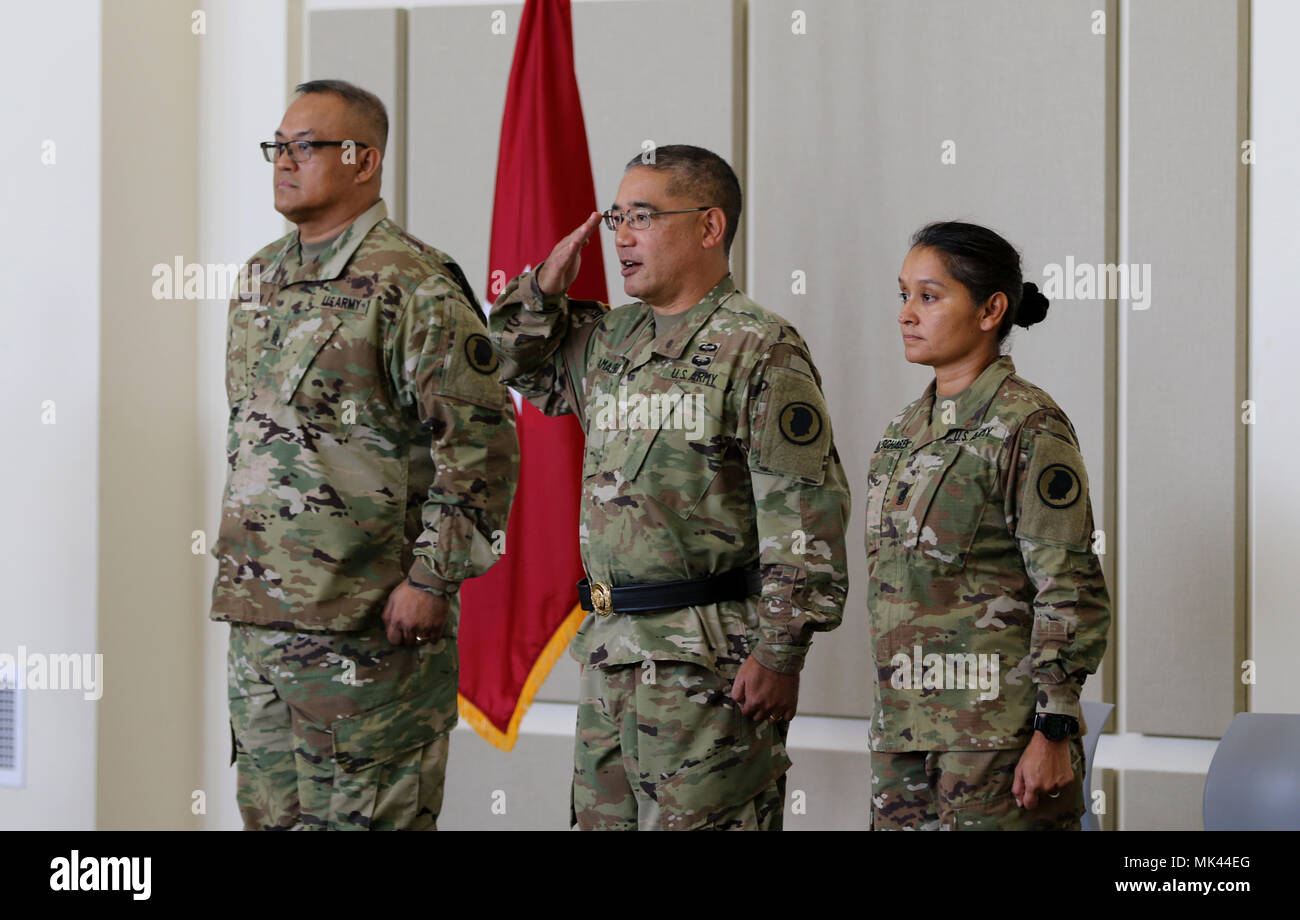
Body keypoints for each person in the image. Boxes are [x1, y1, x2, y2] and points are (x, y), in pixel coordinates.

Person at [488, 145, 850, 831]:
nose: (622, 236)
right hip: (609, 650)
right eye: (616, 218)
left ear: (709, 226)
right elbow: (505, 360)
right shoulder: (609, 339)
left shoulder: (760, 347)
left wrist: (781, 650)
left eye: (643, 216)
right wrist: (541, 289)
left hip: (707, 661)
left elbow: (804, 511)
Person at [211, 79, 519, 830]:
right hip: (261, 626)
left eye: (305, 146)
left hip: (370, 628)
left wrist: (432, 578)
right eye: (277, 147)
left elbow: (479, 447)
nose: (284, 161)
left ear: (364, 160)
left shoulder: (414, 284)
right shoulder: (259, 278)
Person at [866, 221, 1111, 830]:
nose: (906, 313)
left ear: (990, 310)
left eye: (929, 296)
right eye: (903, 294)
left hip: (996, 743)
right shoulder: (904, 429)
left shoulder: (1029, 424)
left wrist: (1054, 728)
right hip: (903, 733)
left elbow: (1068, 585)